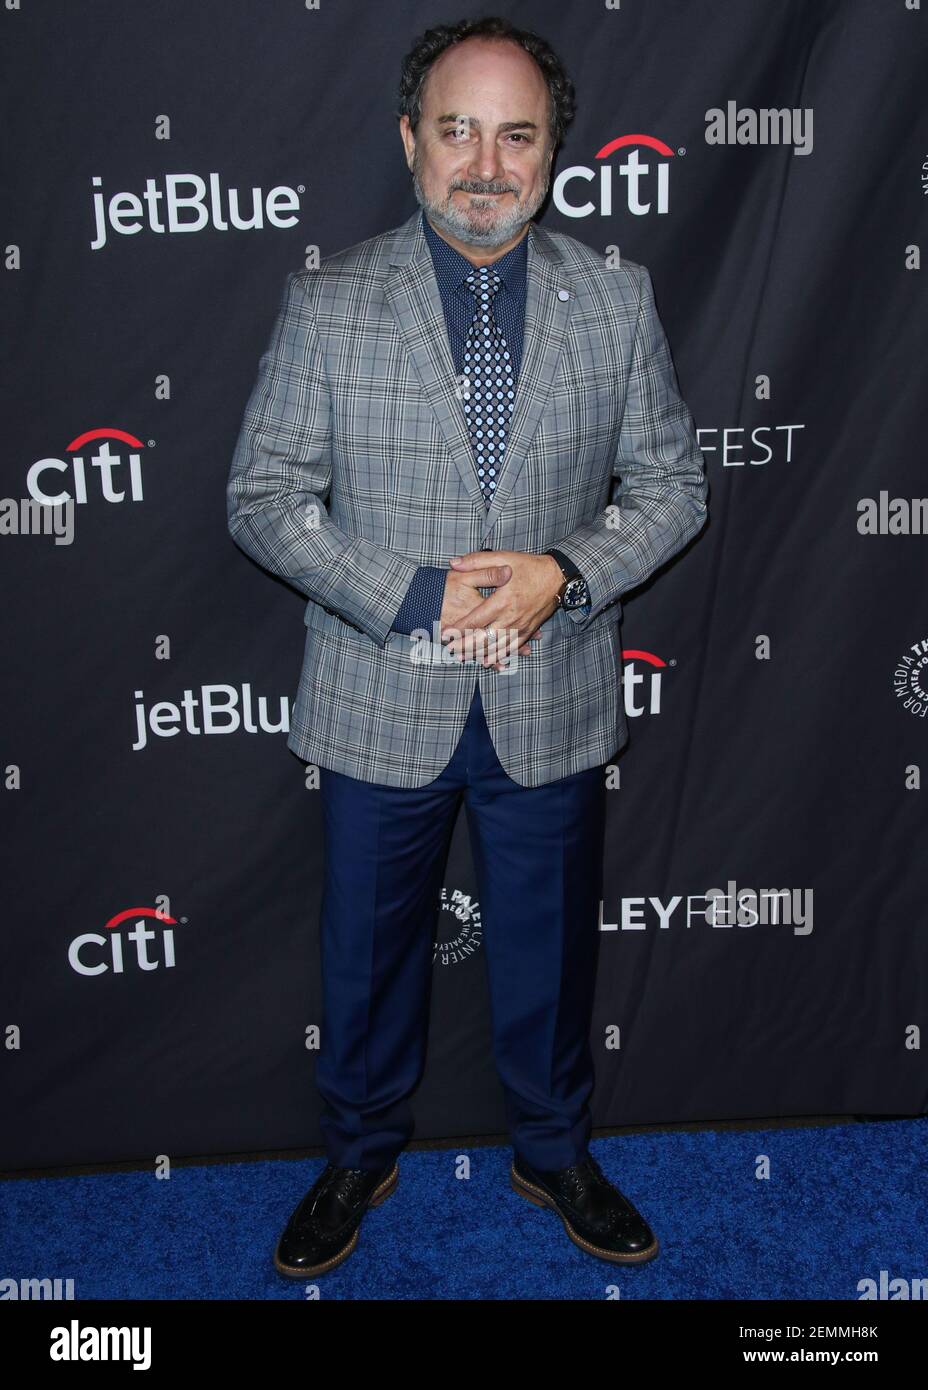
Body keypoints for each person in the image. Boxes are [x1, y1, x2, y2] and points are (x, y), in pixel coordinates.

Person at [226, 14, 708, 1280]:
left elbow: (671, 487)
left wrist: (566, 572)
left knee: (549, 952)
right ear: (407, 140)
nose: (484, 163)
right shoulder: (328, 303)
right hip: (380, 694)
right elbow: (262, 498)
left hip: (549, 695)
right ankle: (357, 1151)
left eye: (515, 133)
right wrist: (417, 596)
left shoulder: (613, 299)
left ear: (553, 152)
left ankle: (553, 1152)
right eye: (457, 130)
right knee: (366, 955)